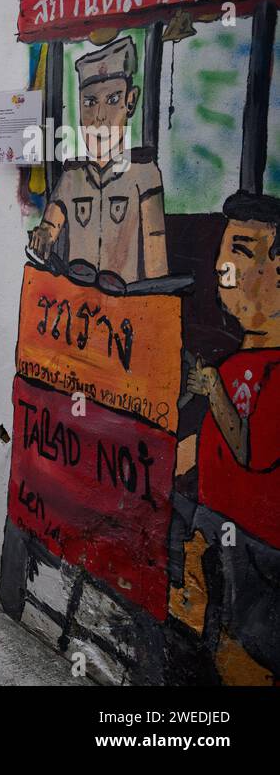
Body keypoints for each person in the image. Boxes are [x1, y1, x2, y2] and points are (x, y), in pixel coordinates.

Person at [173, 190, 280, 679]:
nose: (221, 267)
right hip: (215, 526)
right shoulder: (237, 361)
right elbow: (208, 444)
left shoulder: (272, 371)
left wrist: (214, 389)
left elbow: (250, 450)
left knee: (242, 653)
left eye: (239, 250)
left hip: (255, 549)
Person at [27, 36, 168, 289]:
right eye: (90, 103)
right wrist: (43, 236)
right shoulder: (73, 175)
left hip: (126, 310)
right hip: (77, 305)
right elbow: (49, 226)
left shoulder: (144, 173)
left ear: (131, 101)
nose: (99, 117)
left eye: (113, 100)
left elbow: (156, 256)